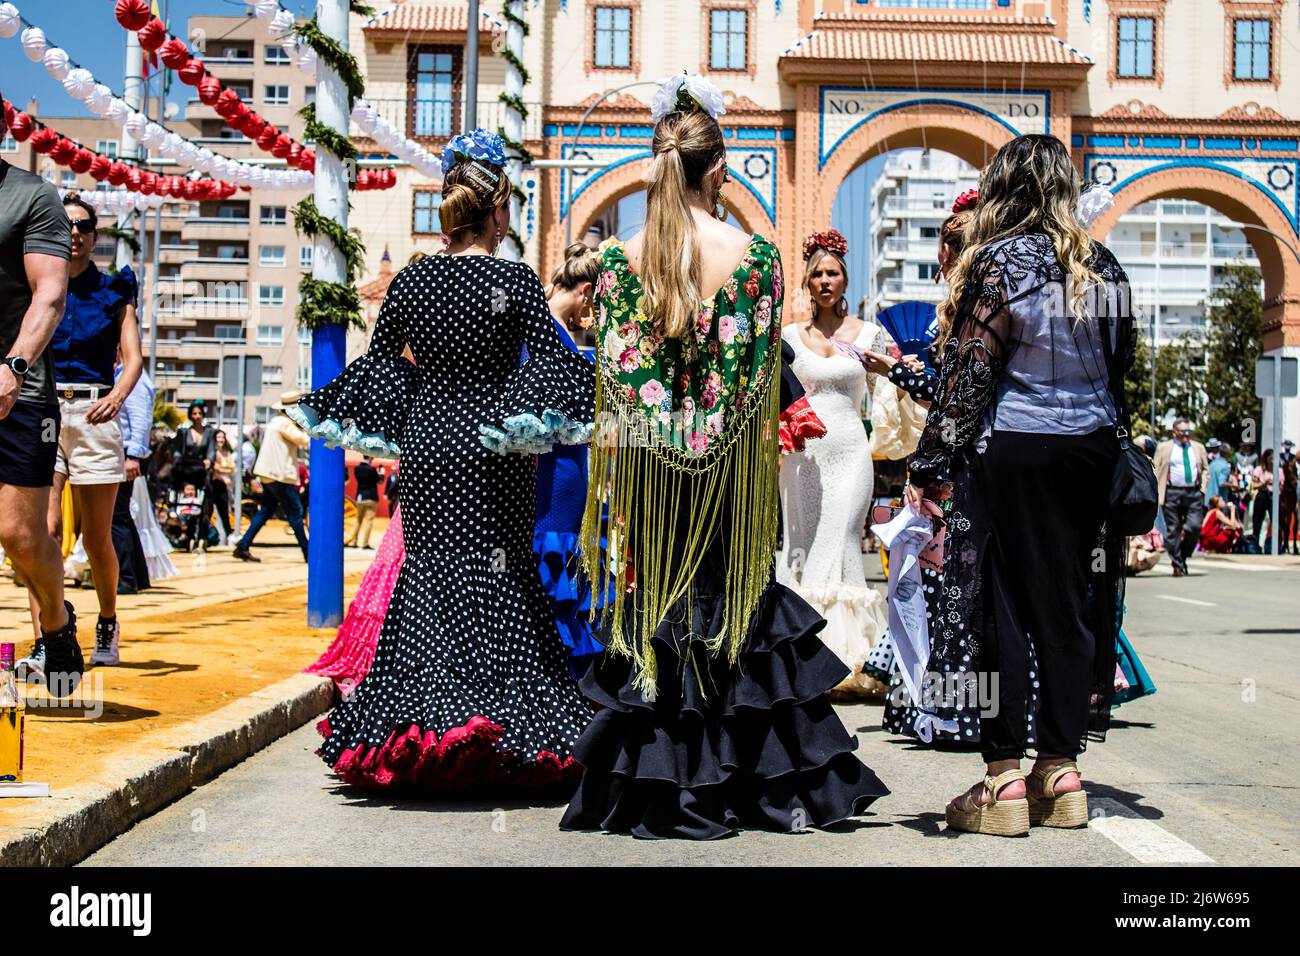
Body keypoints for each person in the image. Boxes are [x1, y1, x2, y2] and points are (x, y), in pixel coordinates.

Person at [560, 76, 887, 838]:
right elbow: (760, 380)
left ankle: (664, 785)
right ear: (717, 171)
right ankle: (760, 784)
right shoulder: (756, 259)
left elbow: (615, 384)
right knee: (737, 613)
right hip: (731, 482)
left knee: (660, 618)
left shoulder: (614, 263)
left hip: (651, 478)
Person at [289, 128, 595, 791]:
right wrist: (518, 409)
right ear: (501, 208)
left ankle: (422, 727)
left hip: (429, 448)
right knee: (502, 579)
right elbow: (559, 363)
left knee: (426, 583)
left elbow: (380, 371)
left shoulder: (413, 282)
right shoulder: (513, 281)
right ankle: (500, 727)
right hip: (492, 451)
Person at [905, 133, 1132, 836]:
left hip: (1013, 452)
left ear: (1006, 189)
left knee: (1000, 611)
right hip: (1090, 454)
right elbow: (1124, 365)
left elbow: (974, 366)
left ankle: (1003, 778)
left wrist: (930, 459)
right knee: (1068, 608)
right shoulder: (1107, 265)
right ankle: (1061, 772)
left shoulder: (1001, 261)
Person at [777, 228, 892, 696]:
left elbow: (891, 395)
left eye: (834, 273)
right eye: (818, 274)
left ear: (846, 279)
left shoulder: (869, 334)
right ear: (808, 282)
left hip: (850, 449)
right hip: (802, 457)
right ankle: (801, 658)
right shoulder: (787, 336)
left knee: (842, 538)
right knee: (801, 547)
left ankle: (846, 660)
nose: (826, 280)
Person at [34, 195, 142, 668]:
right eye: (65, 225)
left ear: (95, 235)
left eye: (82, 226)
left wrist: (116, 397)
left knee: (97, 539)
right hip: (43, 412)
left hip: (96, 413)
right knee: (45, 531)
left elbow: (134, 359)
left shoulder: (115, 290)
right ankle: (48, 638)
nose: (73, 233)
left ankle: (107, 620)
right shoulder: (39, 285)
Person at [1, 134, 80, 693]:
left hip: (19, 388)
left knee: (18, 535)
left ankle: (56, 621)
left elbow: (49, 295)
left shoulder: (31, 196)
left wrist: (14, 367)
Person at [535, 242, 609, 673]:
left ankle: (561, 668)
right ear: (585, 291)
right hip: (553, 469)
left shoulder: (553, 328)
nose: (592, 316)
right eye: (594, 304)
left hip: (564, 466)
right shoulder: (548, 331)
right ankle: (559, 669)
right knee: (553, 555)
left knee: (561, 558)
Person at [233, 392, 310, 562]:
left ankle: (243, 545)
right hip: (279, 475)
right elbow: (303, 440)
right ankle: (307, 551)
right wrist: (309, 426)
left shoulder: (275, 422)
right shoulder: (285, 424)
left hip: (268, 475)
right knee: (296, 513)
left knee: (266, 511)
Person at [1154, 419, 1209, 576]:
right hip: (1171, 492)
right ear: (1174, 432)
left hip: (1193, 493)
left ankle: (1183, 556)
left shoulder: (1198, 447)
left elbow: (1205, 469)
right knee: (1173, 530)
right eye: (1183, 432)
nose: (1186, 435)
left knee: (1195, 526)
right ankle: (1177, 564)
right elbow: (1156, 469)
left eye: (1188, 432)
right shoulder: (1164, 448)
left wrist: (1202, 489)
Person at [206, 429, 236, 545]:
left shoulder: (226, 452)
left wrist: (221, 472)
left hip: (223, 486)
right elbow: (212, 467)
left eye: (223, 437)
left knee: (224, 512)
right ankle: (207, 536)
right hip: (212, 484)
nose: (221, 440)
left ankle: (228, 537)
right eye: (218, 437)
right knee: (209, 511)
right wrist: (222, 475)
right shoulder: (212, 452)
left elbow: (232, 468)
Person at [347, 456, 381, 549]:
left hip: (360, 496)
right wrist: (380, 474)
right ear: (370, 458)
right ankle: (364, 543)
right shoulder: (372, 469)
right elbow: (379, 481)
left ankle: (353, 541)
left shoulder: (357, 468)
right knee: (368, 521)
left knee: (358, 520)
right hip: (371, 497)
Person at [1250, 448, 1275, 549]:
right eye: (1271, 458)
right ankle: (1255, 544)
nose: (1272, 460)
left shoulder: (1277, 470)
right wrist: (1264, 483)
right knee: (1258, 520)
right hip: (1262, 494)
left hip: (1273, 495)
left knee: (1275, 520)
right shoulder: (1259, 470)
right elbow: (1254, 485)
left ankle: (1273, 544)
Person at [1205, 437, 1232, 504]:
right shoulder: (1225, 466)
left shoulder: (1212, 463)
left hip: (1208, 499)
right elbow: (1222, 483)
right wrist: (1234, 485)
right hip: (1218, 501)